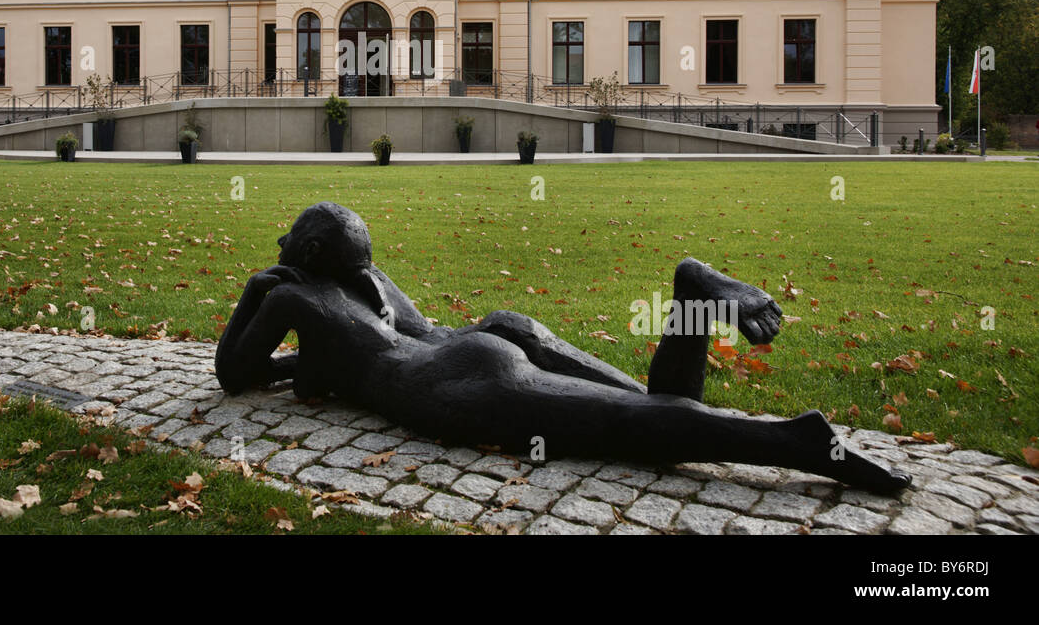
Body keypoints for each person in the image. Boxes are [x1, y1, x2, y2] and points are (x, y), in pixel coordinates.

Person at [216, 202, 911, 493]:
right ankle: (694, 295)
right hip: (490, 334)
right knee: (655, 413)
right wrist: (309, 369)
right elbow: (344, 358)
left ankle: (795, 444)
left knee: (638, 425)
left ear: (305, 252)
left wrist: (255, 291)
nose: (277, 247)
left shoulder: (291, 296)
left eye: (286, 240)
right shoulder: (369, 281)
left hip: (455, 385)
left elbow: (232, 376)